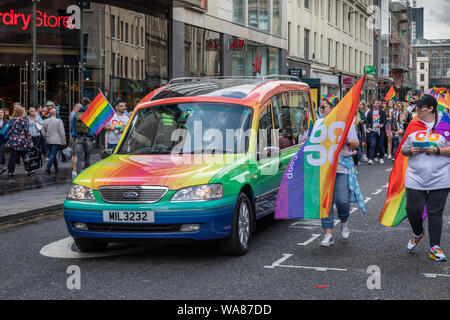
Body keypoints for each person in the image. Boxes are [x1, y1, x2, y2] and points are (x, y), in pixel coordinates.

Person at [401, 94, 450, 261]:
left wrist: (437, 151)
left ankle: (435, 248)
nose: (417, 111)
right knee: (412, 209)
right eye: (416, 107)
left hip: (441, 176)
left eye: (420, 108)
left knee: (435, 212)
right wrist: (410, 151)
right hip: (415, 176)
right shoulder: (413, 124)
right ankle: (418, 232)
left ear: (430, 108)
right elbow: (403, 149)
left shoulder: (446, 123)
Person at [318, 99, 365, 247]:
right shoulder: (319, 124)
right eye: (321, 107)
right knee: (325, 202)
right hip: (323, 168)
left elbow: (355, 144)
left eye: (323, 107)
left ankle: (344, 221)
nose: (321, 110)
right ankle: (328, 234)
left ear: (333, 109)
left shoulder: (346, 124)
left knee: (342, 201)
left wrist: (343, 141)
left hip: (341, 167)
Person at [5, 106, 33, 176]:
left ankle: (10, 172)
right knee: (25, 156)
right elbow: (27, 132)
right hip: (23, 142)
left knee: (12, 157)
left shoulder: (11, 120)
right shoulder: (24, 121)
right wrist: (30, 142)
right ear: (22, 112)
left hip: (13, 141)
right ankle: (28, 170)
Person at [71, 97, 96, 174]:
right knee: (88, 158)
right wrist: (93, 137)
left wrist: (74, 136)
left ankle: (78, 174)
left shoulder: (76, 114)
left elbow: (73, 127)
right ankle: (87, 174)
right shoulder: (91, 114)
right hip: (88, 138)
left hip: (79, 138)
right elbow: (94, 127)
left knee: (79, 158)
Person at [41, 109, 66, 174]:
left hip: (48, 139)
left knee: (52, 154)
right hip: (56, 140)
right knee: (53, 154)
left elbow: (42, 130)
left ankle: (56, 168)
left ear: (49, 114)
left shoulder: (45, 121)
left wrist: (45, 136)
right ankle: (48, 166)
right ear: (55, 114)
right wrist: (64, 142)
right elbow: (62, 132)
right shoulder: (59, 121)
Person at [366, 100, 387, 165]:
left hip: (380, 131)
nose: (378, 104)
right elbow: (367, 121)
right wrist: (368, 127)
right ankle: (371, 159)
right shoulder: (370, 112)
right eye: (377, 103)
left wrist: (382, 125)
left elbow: (385, 120)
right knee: (372, 145)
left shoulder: (382, 112)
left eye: (379, 103)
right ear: (373, 104)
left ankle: (381, 157)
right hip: (373, 131)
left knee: (380, 145)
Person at [69, 103, 82, 178]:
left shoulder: (72, 114)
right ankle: (75, 170)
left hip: (73, 136)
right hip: (75, 136)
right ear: (77, 108)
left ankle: (75, 170)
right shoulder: (74, 115)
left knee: (75, 153)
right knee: (75, 154)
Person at [0, 109, 6, 174]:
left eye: (1, 112)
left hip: (4, 140)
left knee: (1, 152)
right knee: (1, 153)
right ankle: (3, 166)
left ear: (3, 114)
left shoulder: (6, 121)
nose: (0, 114)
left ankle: (1, 166)